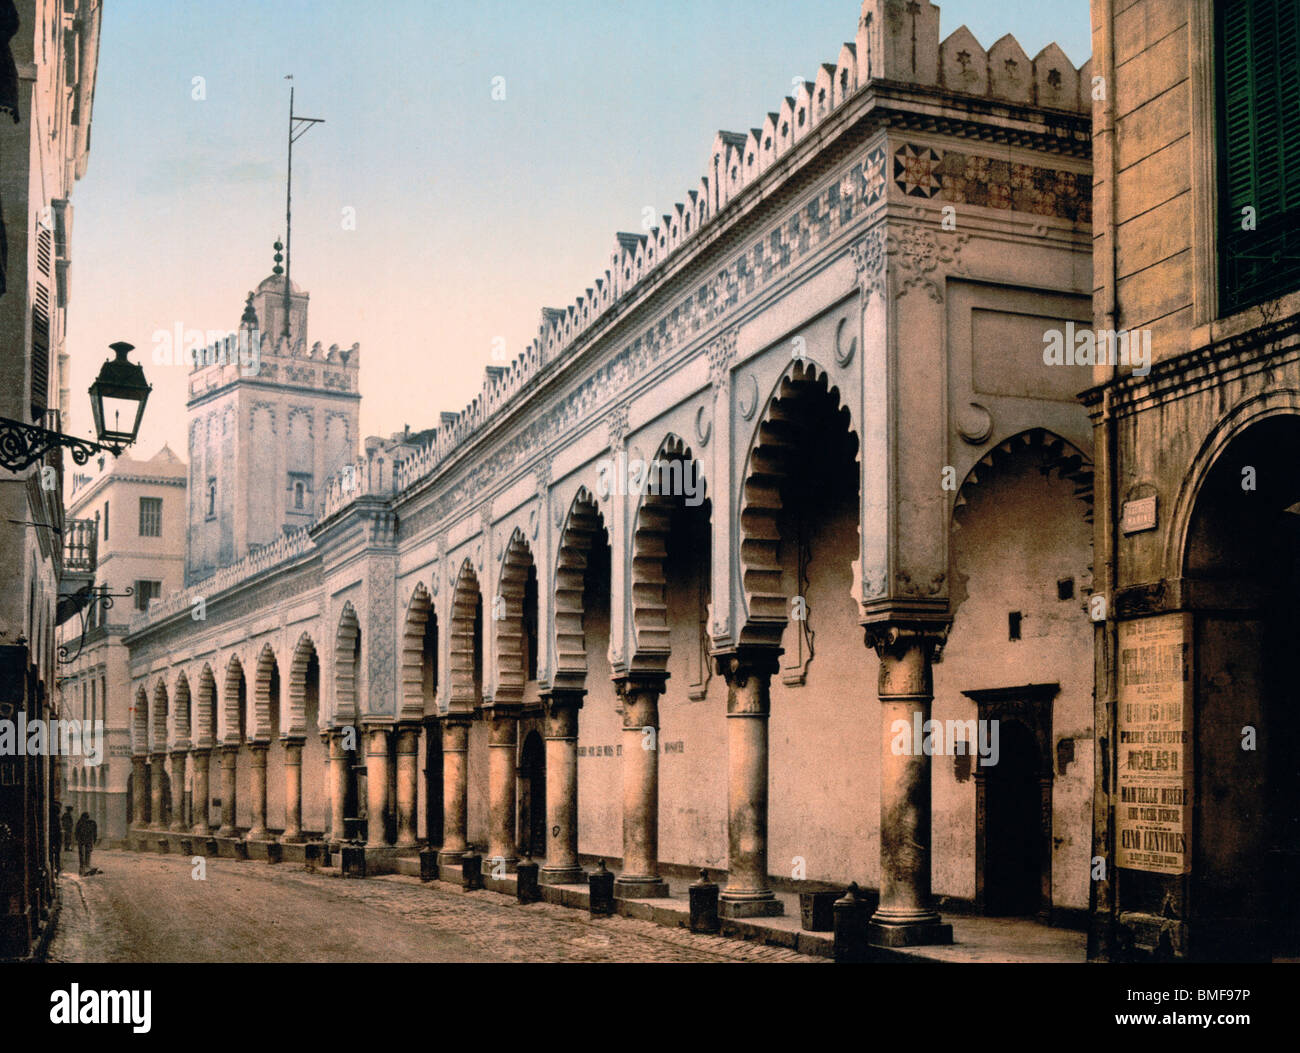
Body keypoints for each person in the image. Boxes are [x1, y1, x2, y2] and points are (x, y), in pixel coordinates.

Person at [75, 811, 97, 875]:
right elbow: (94, 833)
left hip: (82, 840)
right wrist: (94, 840)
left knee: (82, 853)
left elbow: (76, 831)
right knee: (87, 853)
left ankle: (82, 865)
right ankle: (86, 864)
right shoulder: (92, 823)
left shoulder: (80, 822)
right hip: (88, 840)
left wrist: (76, 838)